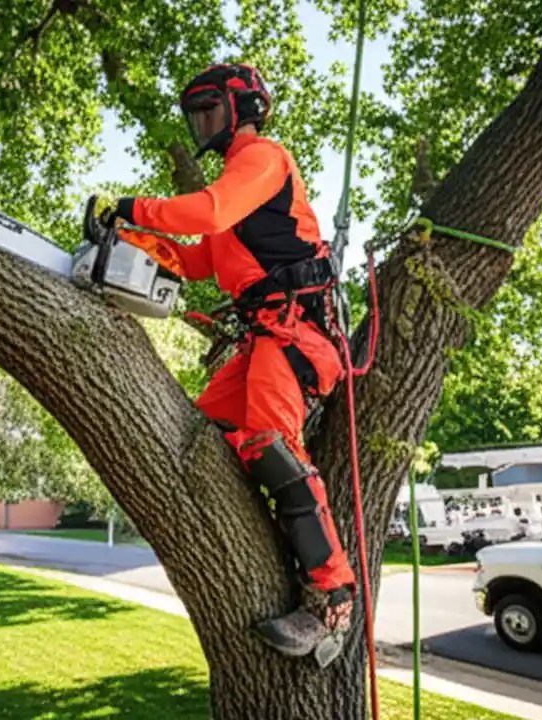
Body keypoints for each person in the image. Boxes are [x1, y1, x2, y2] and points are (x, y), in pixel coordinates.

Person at [92, 63, 356, 659]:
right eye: (194, 112)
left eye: (208, 108)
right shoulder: (235, 197)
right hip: (263, 336)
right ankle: (257, 546)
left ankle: (331, 593)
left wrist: (134, 206)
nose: (199, 121)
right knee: (194, 436)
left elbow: (206, 212)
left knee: (269, 441)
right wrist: (127, 238)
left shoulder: (263, 159)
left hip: (296, 335)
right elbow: (196, 261)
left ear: (241, 105)